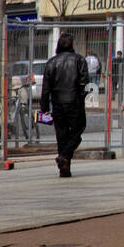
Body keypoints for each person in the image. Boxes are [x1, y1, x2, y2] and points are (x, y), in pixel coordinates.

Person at [41, 34, 90, 178]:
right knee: (78, 131)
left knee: (62, 135)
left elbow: (45, 88)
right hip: (74, 102)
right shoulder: (79, 60)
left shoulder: (51, 62)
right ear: (72, 45)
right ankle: (64, 158)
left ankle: (64, 167)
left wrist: (44, 107)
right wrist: (80, 98)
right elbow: (85, 84)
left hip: (57, 104)